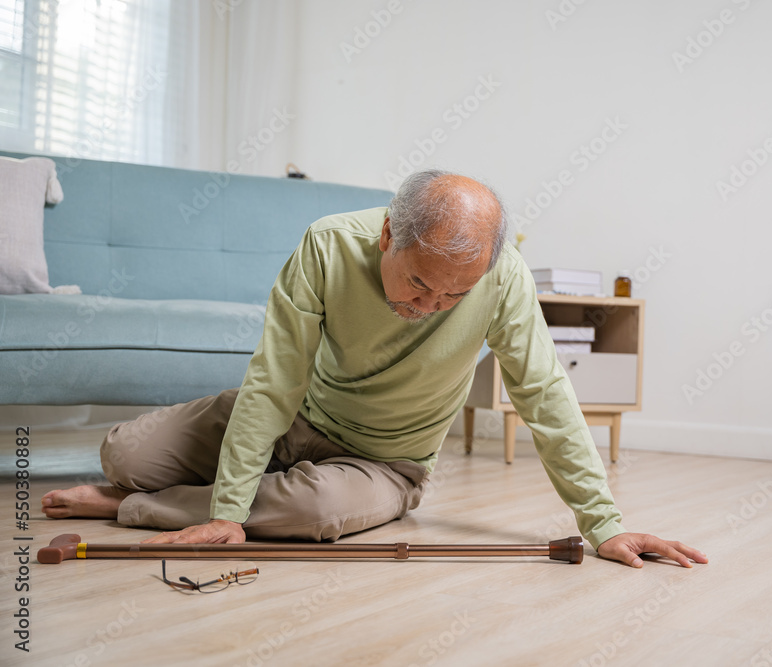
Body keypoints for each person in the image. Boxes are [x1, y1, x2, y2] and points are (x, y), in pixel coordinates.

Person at [42, 170, 708, 569]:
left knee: (318, 507)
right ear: (389, 234)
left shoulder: (503, 279)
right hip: (295, 417)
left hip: (384, 464)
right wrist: (240, 486)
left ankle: (139, 507)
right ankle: (191, 493)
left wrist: (604, 523)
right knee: (124, 451)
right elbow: (274, 383)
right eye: (419, 283)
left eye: (453, 295)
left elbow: (544, 394)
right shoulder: (329, 244)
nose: (430, 306)